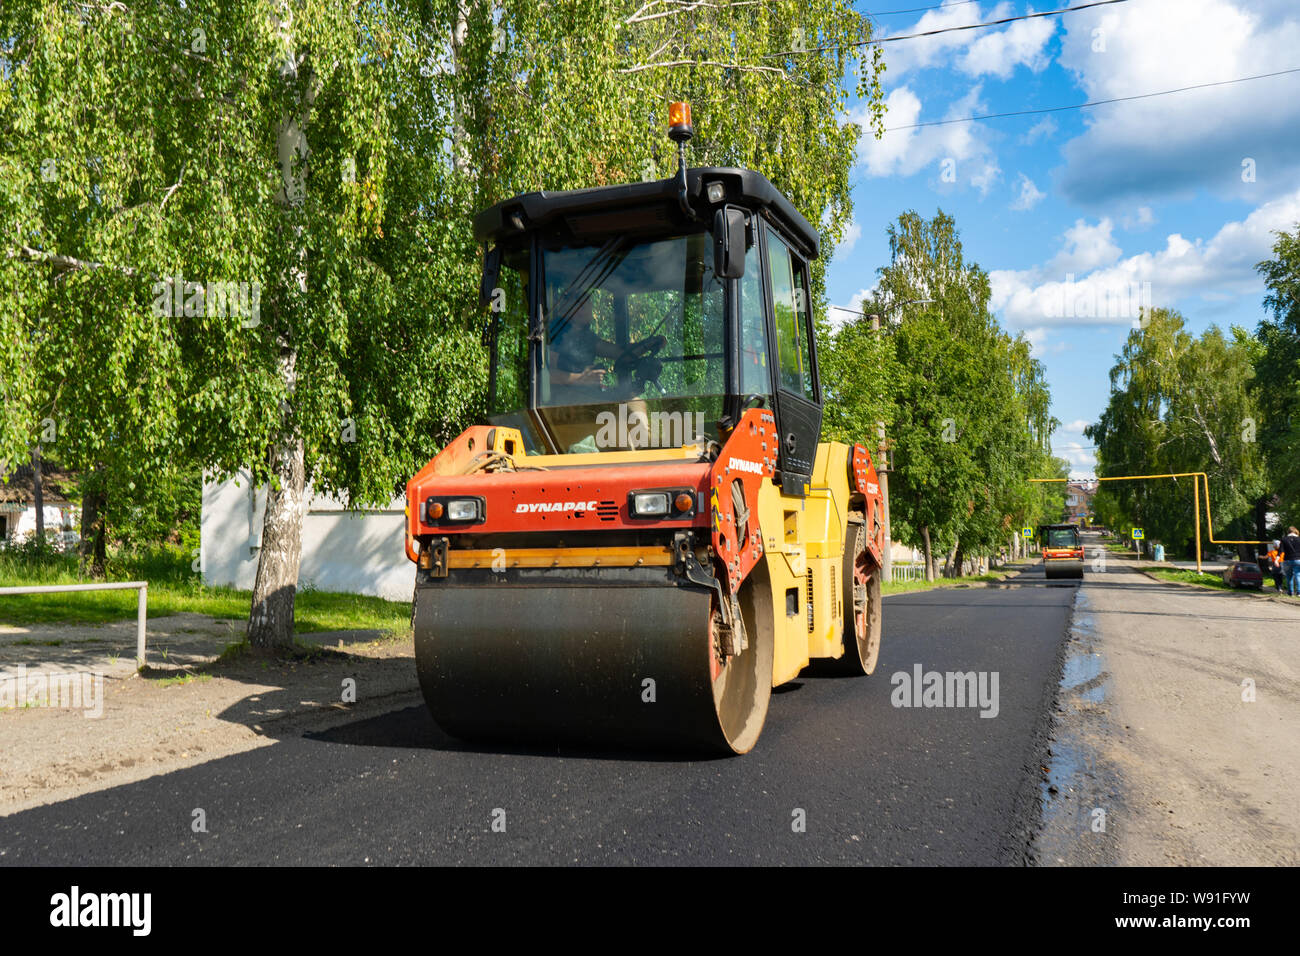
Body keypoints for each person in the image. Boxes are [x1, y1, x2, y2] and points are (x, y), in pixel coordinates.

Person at [1281, 527, 1300, 598]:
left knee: (1289, 577)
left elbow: (1281, 551)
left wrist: (1277, 560)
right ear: (1296, 531)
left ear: (1288, 532)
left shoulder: (1284, 539)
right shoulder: (1299, 539)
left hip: (1287, 560)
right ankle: (1299, 592)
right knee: (1298, 576)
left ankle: (1290, 593)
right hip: (1298, 560)